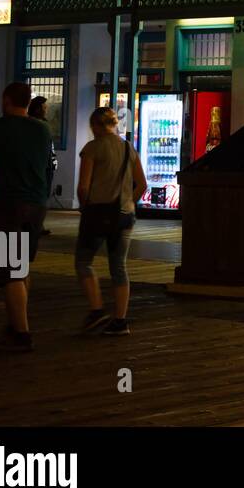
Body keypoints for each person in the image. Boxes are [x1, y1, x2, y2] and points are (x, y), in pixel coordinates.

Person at [0, 81, 53, 352]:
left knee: (9, 271)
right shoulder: (43, 129)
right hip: (36, 203)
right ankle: (15, 323)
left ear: (7, 99)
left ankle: (22, 333)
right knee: (22, 267)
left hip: (7, 202)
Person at [76, 107, 146, 336]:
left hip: (97, 212)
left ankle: (96, 310)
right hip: (124, 215)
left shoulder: (92, 148)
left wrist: (84, 208)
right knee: (119, 267)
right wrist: (128, 203)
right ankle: (120, 320)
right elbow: (142, 184)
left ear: (95, 125)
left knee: (84, 262)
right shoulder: (128, 147)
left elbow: (83, 187)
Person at [27, 96, 57, 236]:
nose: (46, 110)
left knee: (44, 194)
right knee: (40, 195)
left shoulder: (42, 124)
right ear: (38, 108)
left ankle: (37, 223)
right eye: (44, 107)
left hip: (47, 164)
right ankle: (36, 224)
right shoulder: (37, 125)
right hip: (43, 165)